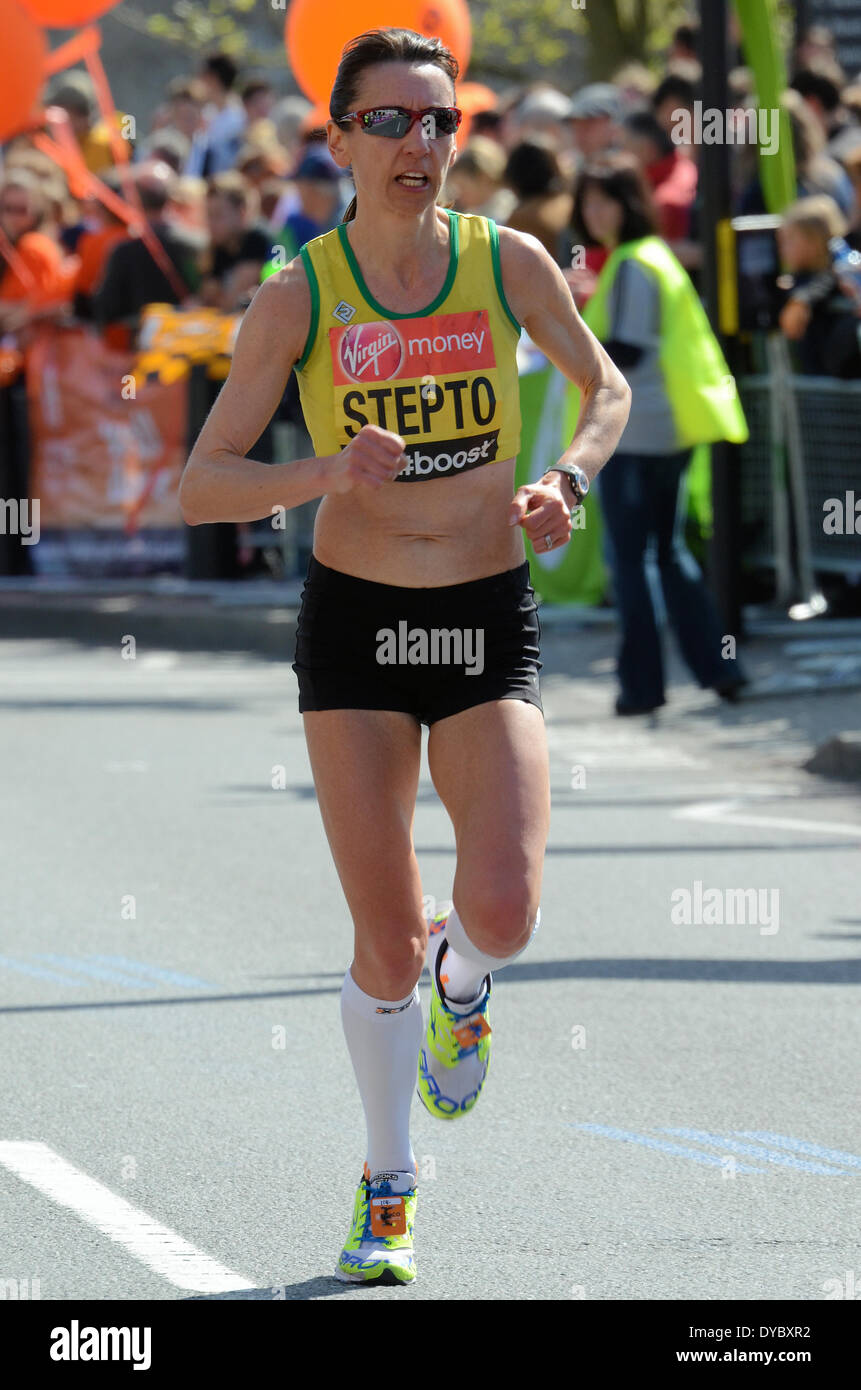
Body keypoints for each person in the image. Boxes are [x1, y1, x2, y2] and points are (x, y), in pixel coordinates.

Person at [178, 25, 630, 1284]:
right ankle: (389, 1183)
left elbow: (605, 391)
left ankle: (465, 981)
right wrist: (328, 468)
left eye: (439, 123)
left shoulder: (508, 260)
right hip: (358, 623)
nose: (420, 146)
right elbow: (201, 485)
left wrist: (568, 480)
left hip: (486, 608)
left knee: (504, 910)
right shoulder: (300, 290)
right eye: (392, 122)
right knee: (379, 940)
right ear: (339, 140)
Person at [570, 153, 748, 715]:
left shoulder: (633, 263)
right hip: (662, 425)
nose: (595, 213)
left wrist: (568, 336)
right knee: (664, 554)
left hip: (638, 430)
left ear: (628, 203)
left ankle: (645, 686)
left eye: (605, 200)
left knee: (633, 559)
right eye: (589, 202)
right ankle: (717, 669)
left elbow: (628, 349)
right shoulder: (646, 257)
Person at [777, 195, 861, 379]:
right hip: (816, 393)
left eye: (790, 240)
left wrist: (803, 300)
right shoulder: (795, 280)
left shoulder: (843, 275)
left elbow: (828, 279)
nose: (782, 249)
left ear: (814, 240)